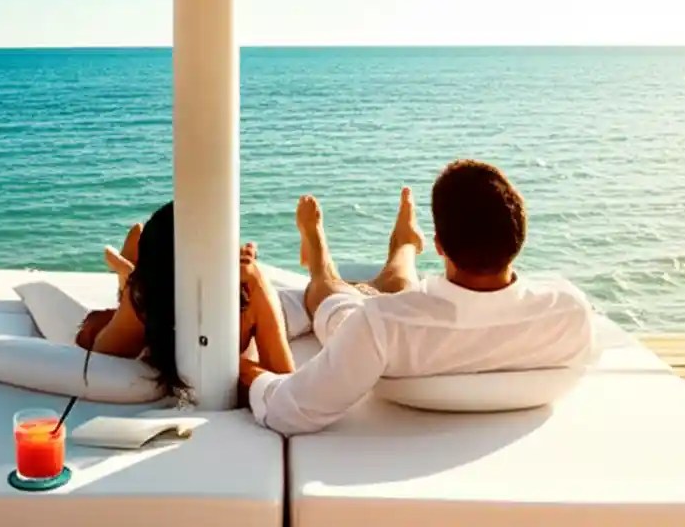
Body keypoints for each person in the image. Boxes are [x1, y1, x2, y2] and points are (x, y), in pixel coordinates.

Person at [239, 159, 595, 435]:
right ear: (519, 237)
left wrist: (239, 367)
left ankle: (319, 255)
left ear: (440, 246)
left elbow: (291, 411)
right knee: (402, 290)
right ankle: (405, 242)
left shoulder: (380, 325)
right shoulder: (570, 311)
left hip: (371, 330)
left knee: (328, 290)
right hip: (414, 324)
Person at [76, 201, 295, 395]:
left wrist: (256, 280)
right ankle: (125, 274)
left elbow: (288, 385)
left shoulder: (248, 290)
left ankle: (126, 271)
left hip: (159, 284)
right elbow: (99, 355)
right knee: (91, 328)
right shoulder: (145, 299)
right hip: (152, 291)